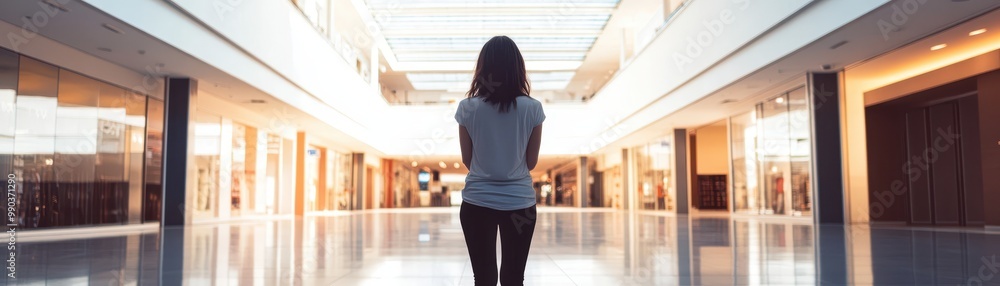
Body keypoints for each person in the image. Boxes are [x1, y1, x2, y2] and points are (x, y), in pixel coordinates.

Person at [455, 35, 545, 286]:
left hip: (476, 201)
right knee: (513, 277)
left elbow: (467, 159)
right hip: (520, 203)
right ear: (518, 67)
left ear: (483, 68)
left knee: (483, 278)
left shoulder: (467, 108)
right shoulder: (533, 108)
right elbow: (531, 162)